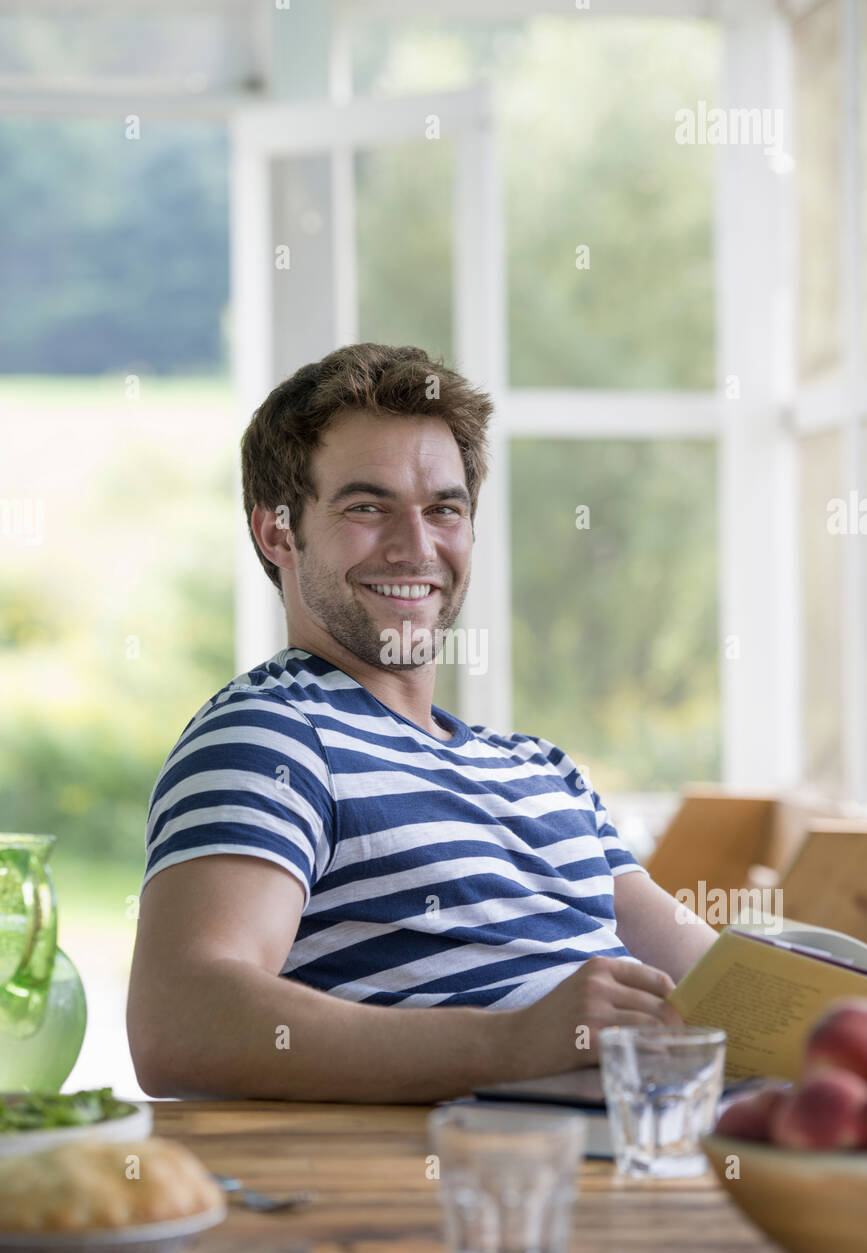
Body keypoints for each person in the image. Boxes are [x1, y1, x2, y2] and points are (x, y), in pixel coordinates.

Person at [127, 343, 717, 1103]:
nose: (416, 546)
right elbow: (180, 1022)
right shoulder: (273, 736)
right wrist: (512, 1042)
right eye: (366, 507)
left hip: (676, 1151)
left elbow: (721, 984)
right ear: (277, 533)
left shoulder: (542, 770)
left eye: (444, 508)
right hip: (488, 1187)